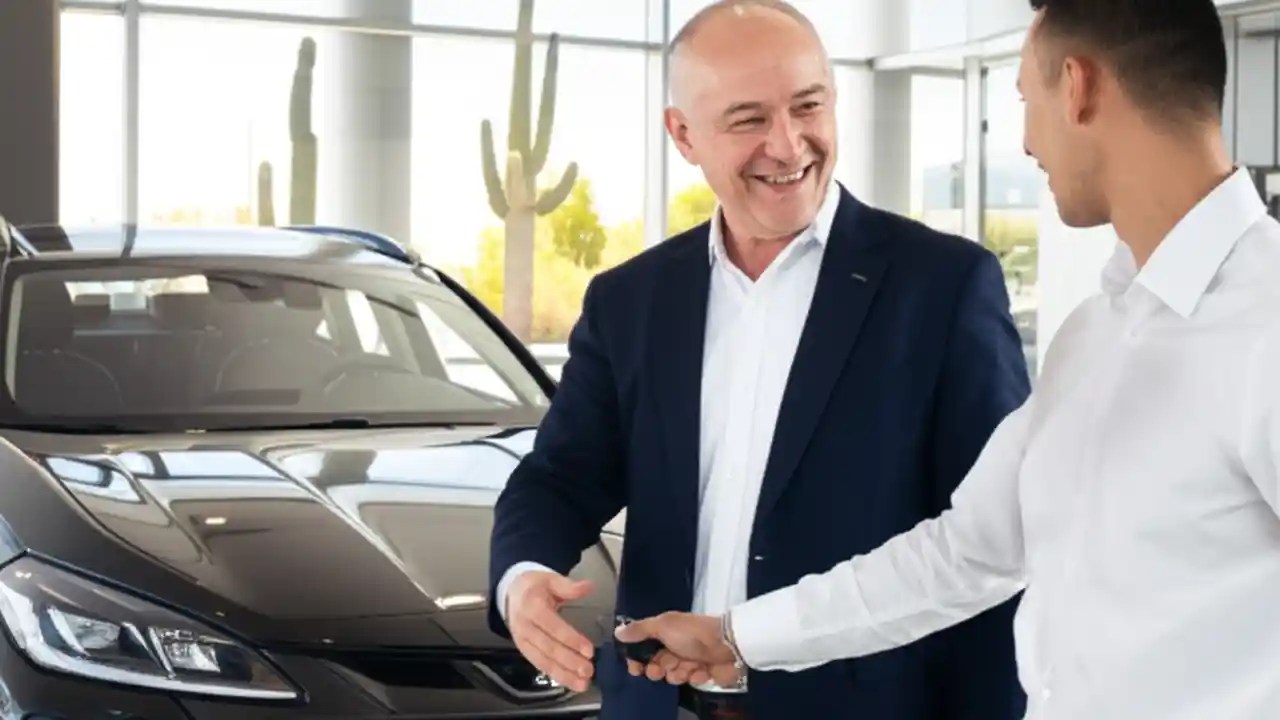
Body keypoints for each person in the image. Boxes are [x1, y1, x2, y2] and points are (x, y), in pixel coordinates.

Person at [615, 1, 1280, 718]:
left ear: (1078, 85)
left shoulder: (1264, 326)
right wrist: (737, 637)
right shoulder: (1095, 336)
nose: (1026, 142)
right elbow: (964, 552)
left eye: (1025, 99)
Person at [488, 1, 1031, 718]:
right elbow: (559, 478)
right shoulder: (631, 300)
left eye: (808, 106)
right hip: (657, 704)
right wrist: (522, 579)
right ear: (683, 134)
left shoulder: (945, 287)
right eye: (749, 120)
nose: (788, 144)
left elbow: (992, 545)